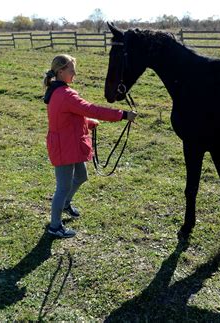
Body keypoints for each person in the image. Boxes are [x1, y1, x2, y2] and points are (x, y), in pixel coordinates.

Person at [43, 54, 136, 238]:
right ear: (61, 72)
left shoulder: (58, 91)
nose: (74, 73)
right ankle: (55, 226)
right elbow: (91, 109)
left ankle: (66, 204)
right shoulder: (66, 94)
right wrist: (123, 114)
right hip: (64, 146)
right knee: (62, 186)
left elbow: (71, 115)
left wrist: (88, 122)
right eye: (71, 70)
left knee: (81, 176)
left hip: (70, 143)